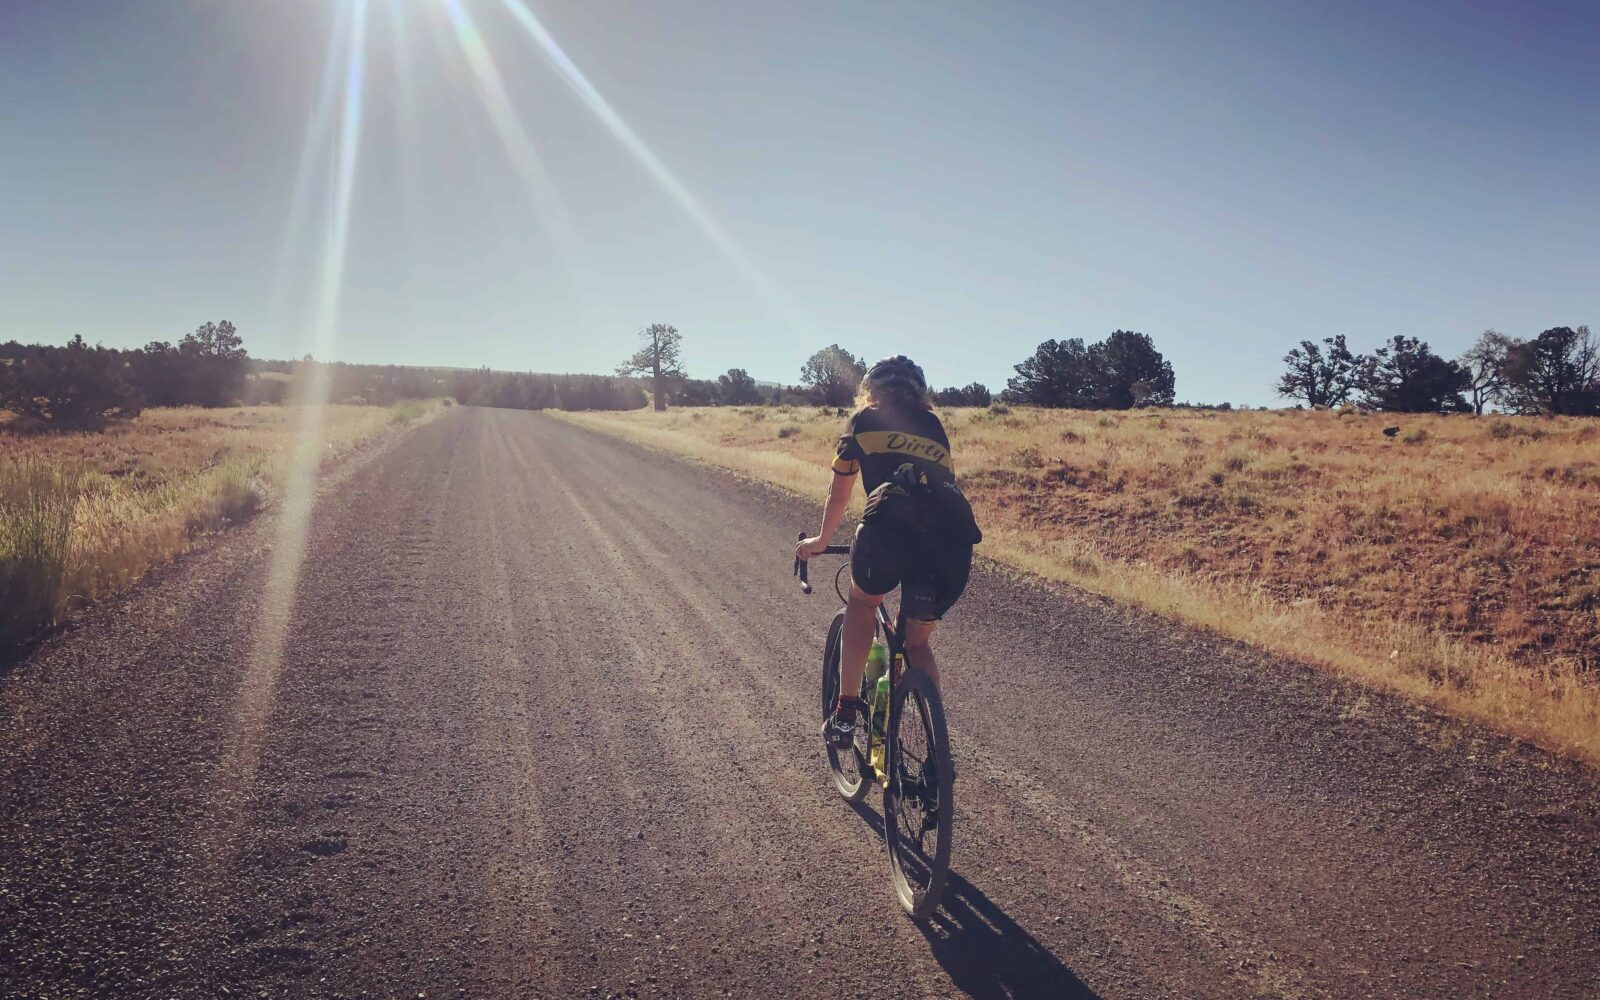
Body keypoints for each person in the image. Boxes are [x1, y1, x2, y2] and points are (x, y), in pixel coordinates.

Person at [794, 355, 977, 751]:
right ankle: (936, 749)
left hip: (887, 536)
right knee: (916, 642)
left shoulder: (863, 421)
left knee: (862, 604)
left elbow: (839, 491)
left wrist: (820, 542)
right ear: (919, 393)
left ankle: (844, 715)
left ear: (871, 391)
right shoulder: (933, 426)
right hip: (950, 547)